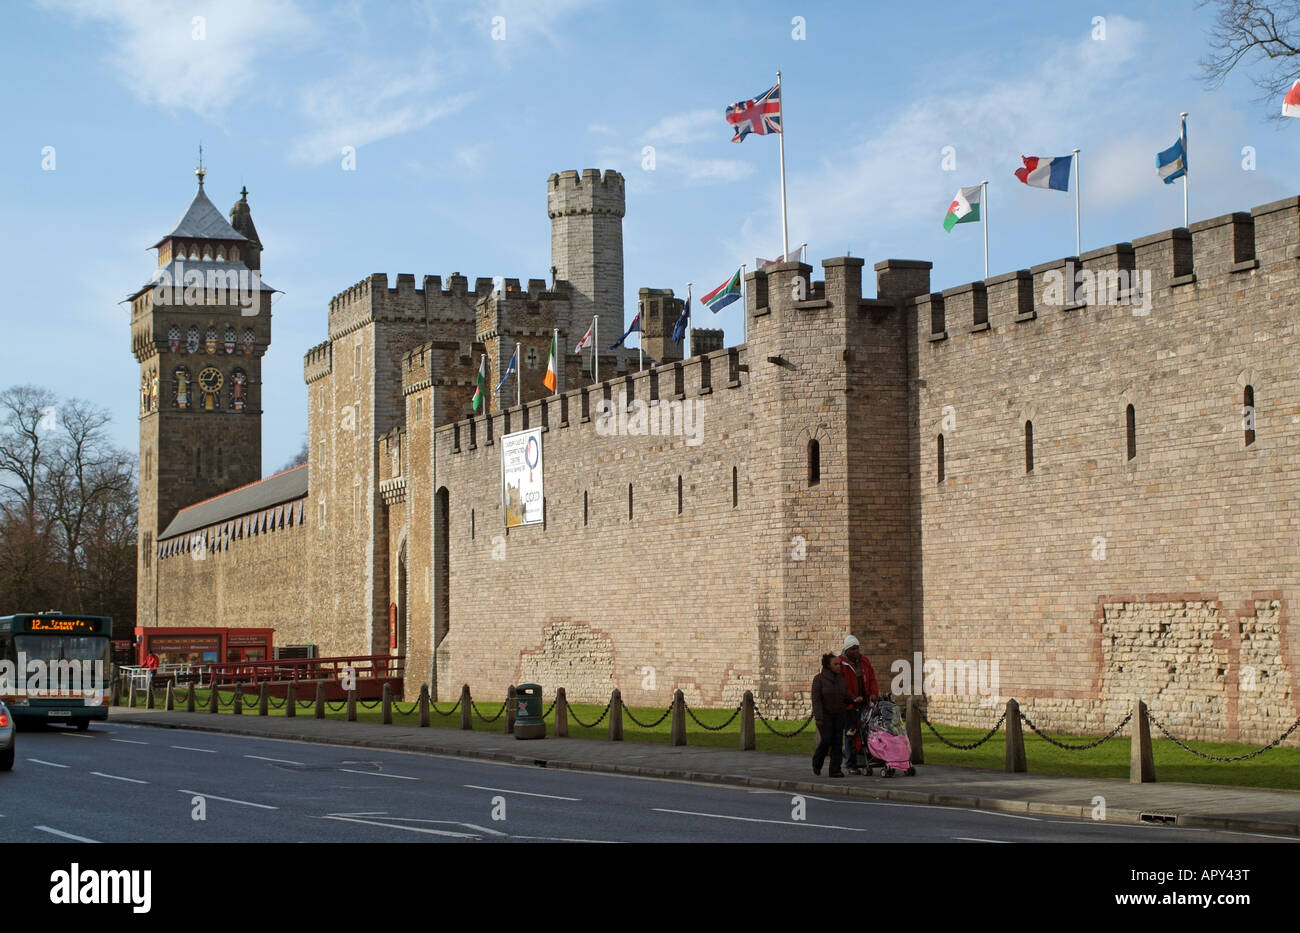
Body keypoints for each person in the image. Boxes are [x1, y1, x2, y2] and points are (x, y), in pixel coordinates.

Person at [839, 635, 880, 775]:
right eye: (853, 649)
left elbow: (872, 678)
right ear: (847, 649)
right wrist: (852, 698)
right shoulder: (841, 664)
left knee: (864, 733)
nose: (856, 651)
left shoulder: (864, 661)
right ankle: (851, 763)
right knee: (851, 733)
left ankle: (862, 759)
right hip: (850, 705)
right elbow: (841, 685)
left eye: (857, 648)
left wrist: (873, 693)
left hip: (864, 703)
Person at [811, 653, 847, 778]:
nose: (838, 667)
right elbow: (816, 700)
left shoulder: (841, 679)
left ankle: (835, 769)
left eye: (839, 664)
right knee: (826, 740)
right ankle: (817, 762)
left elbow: (844, 695)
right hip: (825, 715)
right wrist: (819, 717)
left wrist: (854, 699)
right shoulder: (819, 679)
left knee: (837, 742)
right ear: (828, 665)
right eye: (835, 664)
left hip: (839, 714)